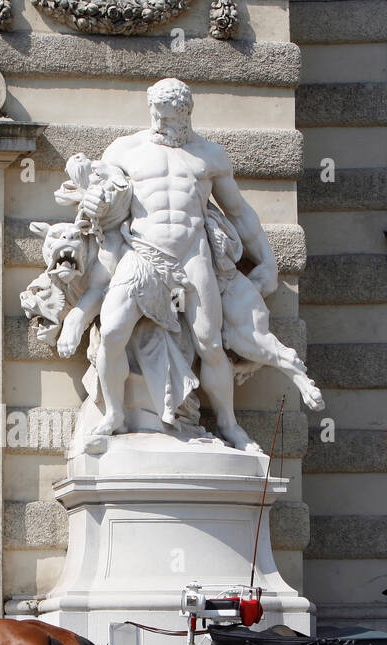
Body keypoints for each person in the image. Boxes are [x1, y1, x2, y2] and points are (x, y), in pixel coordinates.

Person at [69, 78, 277, 451]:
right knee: (113, 332)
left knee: (209, 341)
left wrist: (267, 261)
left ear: (186, 113)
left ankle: (229, 425)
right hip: (143, 252)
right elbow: (103, 198)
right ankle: (114, 414)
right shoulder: (125, 150)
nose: (161, 124)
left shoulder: (209, 155)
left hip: (192, 253)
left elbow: (240, 212)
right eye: (156, 116)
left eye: (169, 117)